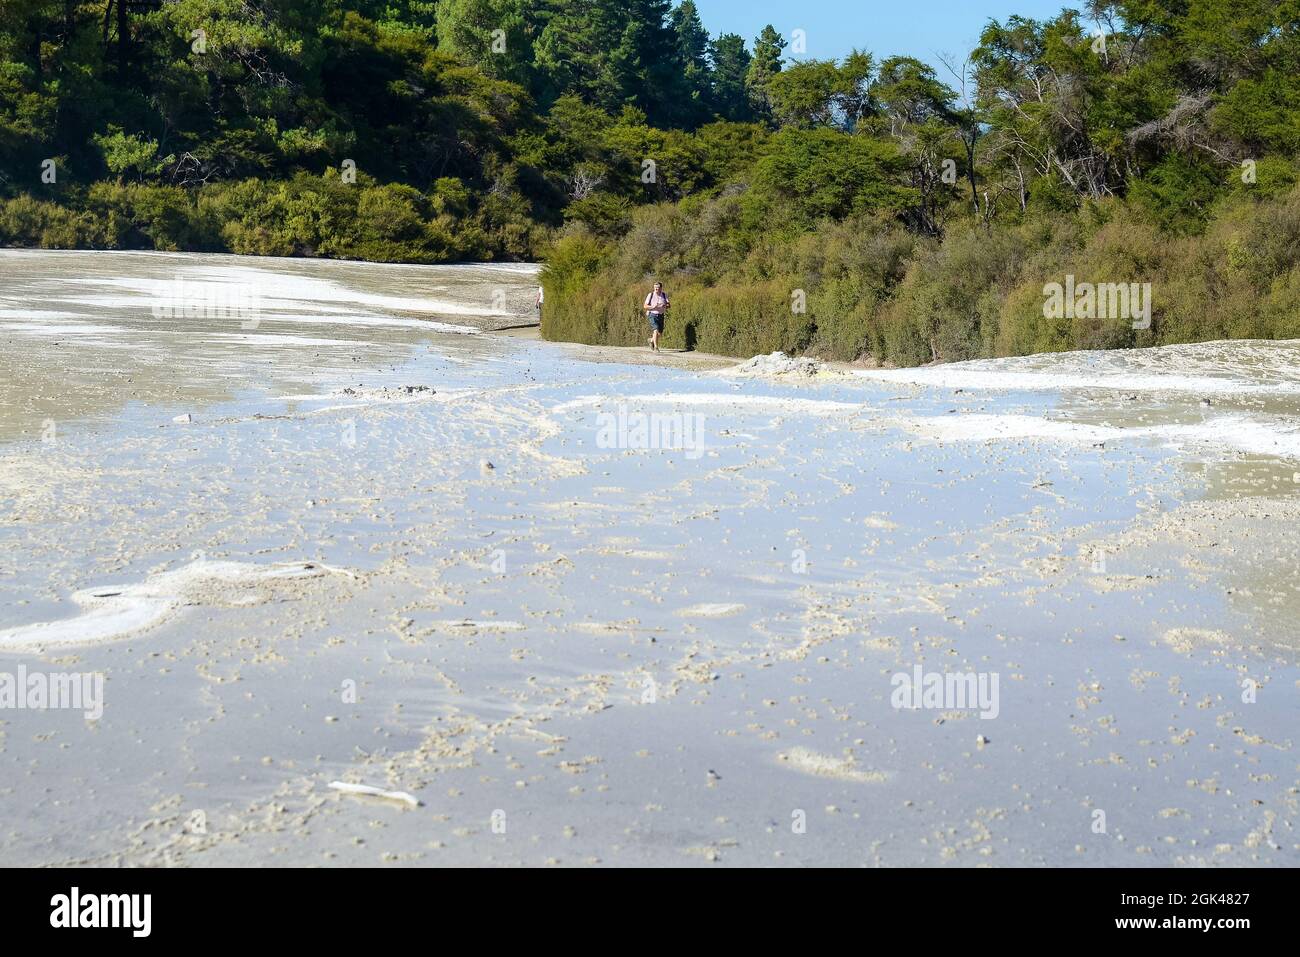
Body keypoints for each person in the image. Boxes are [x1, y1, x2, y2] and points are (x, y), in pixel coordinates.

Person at [643, 281, 669, 352]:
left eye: (658, 288)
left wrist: (664, 305)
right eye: (655, 288)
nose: (656, 289)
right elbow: (645, 306)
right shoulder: (650, 295)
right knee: (656, 330)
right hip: (652, 314)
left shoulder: (664, 295)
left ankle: (651, 340)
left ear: (661, 288)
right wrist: (653, 306)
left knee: (660, 333)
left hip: (661, 315)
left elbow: (669, 305)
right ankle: (656, 348)